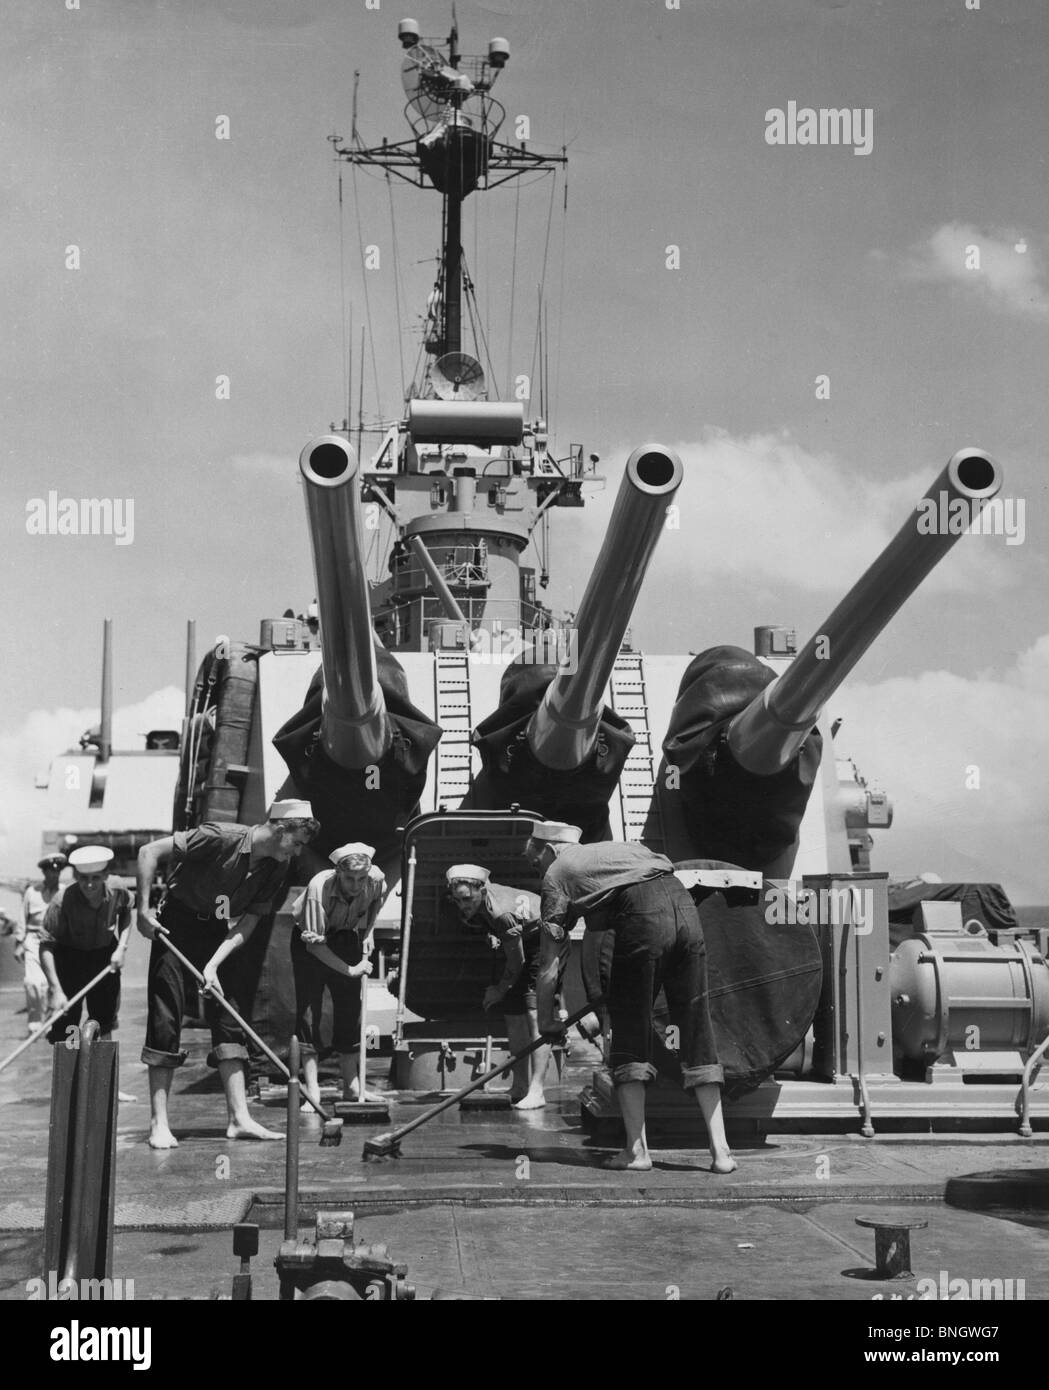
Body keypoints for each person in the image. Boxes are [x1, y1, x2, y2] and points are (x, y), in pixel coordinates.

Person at [526, 820, 736, 1174]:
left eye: (535, 861)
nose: (538, 869)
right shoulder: (619, 849)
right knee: (697, 1029)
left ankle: (636, 1152)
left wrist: (547, 1018)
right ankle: (722, 1153)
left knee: (628, 1037)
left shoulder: (556, 873)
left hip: (642, 919)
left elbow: (549, 963)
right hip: (684, 908)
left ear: (549, 850)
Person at [135, 800, 318, 1149]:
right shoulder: (219, 836)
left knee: (230, 1015)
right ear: (280, 829)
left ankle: (239, 1118)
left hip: (216, 932)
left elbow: (247, 923)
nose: (297, 852)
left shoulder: (277, 868)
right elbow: (148, 852)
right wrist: (142, 910)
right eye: (296, 842)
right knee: (165, 1018)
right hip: (173, 925)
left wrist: (214, 964)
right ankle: (159, 1122)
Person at [445, 863, 555, 1109]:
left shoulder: (499, 912)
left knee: (534, 1014)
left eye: (467, 899)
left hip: (544, 941)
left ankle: (537, 1091)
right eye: (458, 900)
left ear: (482, 890)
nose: (463, 906)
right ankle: (520, 1085)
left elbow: (517, 961)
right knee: (513, 1015)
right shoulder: (485, 906)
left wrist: (500, 988)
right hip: (525, 939)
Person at [291, 843, 386, 1110]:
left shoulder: (376, 879)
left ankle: (351, 1086)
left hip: (346, 936)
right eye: (349, 879)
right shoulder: (318, 889)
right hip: (311, 941)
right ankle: (312, 1090)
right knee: (310, 1013)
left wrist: (369, 932)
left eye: (361, 879)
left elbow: (378, 898)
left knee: (350, 1009)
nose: (356, 885)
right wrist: (351, 970)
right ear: (337, 873)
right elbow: (315, 945)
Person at [39, 847, 132, 1050]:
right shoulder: (61, 902)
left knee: (104, 1018)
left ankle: (103, 1076)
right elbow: (46, 946)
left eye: (95, 878)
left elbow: (125, 914)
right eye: (83, 878)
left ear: (106, 875)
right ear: (74, 875)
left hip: (104, 956)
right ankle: (69, 1075)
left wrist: (121, 948)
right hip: (70, 960)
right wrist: (56, 989)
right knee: (66, 1021)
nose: (89, 884)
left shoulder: (118, 889)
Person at [16, 855, 66, 1034]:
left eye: (58, 870)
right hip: (34, 939)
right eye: (51, 870)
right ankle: (35, 1024)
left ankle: (50, 1023)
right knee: (34, 983)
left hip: (57, 941)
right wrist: (19, 942)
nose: (55, 873)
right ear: (44, 871)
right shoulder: (32, 892)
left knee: (52, 984)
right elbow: (23, 916)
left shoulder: (65, 891)